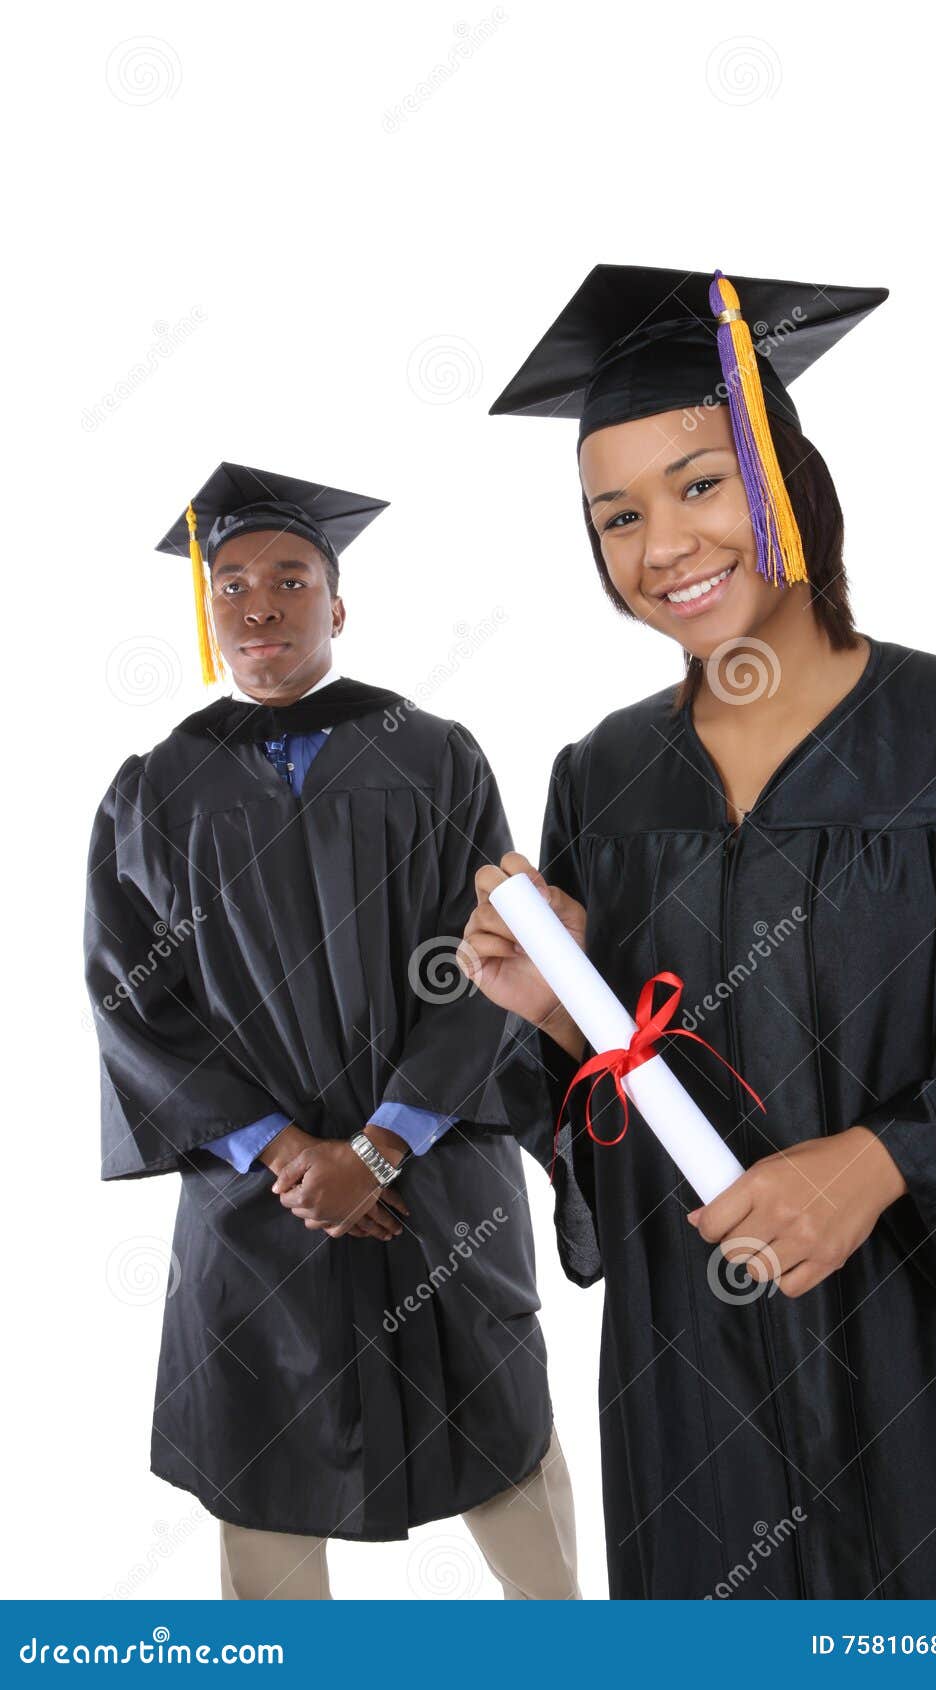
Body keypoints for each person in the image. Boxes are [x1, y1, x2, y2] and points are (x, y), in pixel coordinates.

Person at [461, 265, 936, 1600]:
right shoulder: (603, 778)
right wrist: (559, 1014)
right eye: (614, 514)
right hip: (695, 1389)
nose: (660, 544)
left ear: (786, 475)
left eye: (696, 483)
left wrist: (887, 1157)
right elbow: (609, 1119)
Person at [85, 462, 579, 1600]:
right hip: (257, 1198)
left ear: (337, 605)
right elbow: (129, 999)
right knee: (263, 1475)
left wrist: (379, 1144)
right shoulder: (154, 789)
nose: (260, 602)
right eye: (235, 584)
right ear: (209, 617)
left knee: (502, 1444)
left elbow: (494, 958)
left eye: (292, 579)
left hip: (436, 1174)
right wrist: (283, 1150)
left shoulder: (432, 752)